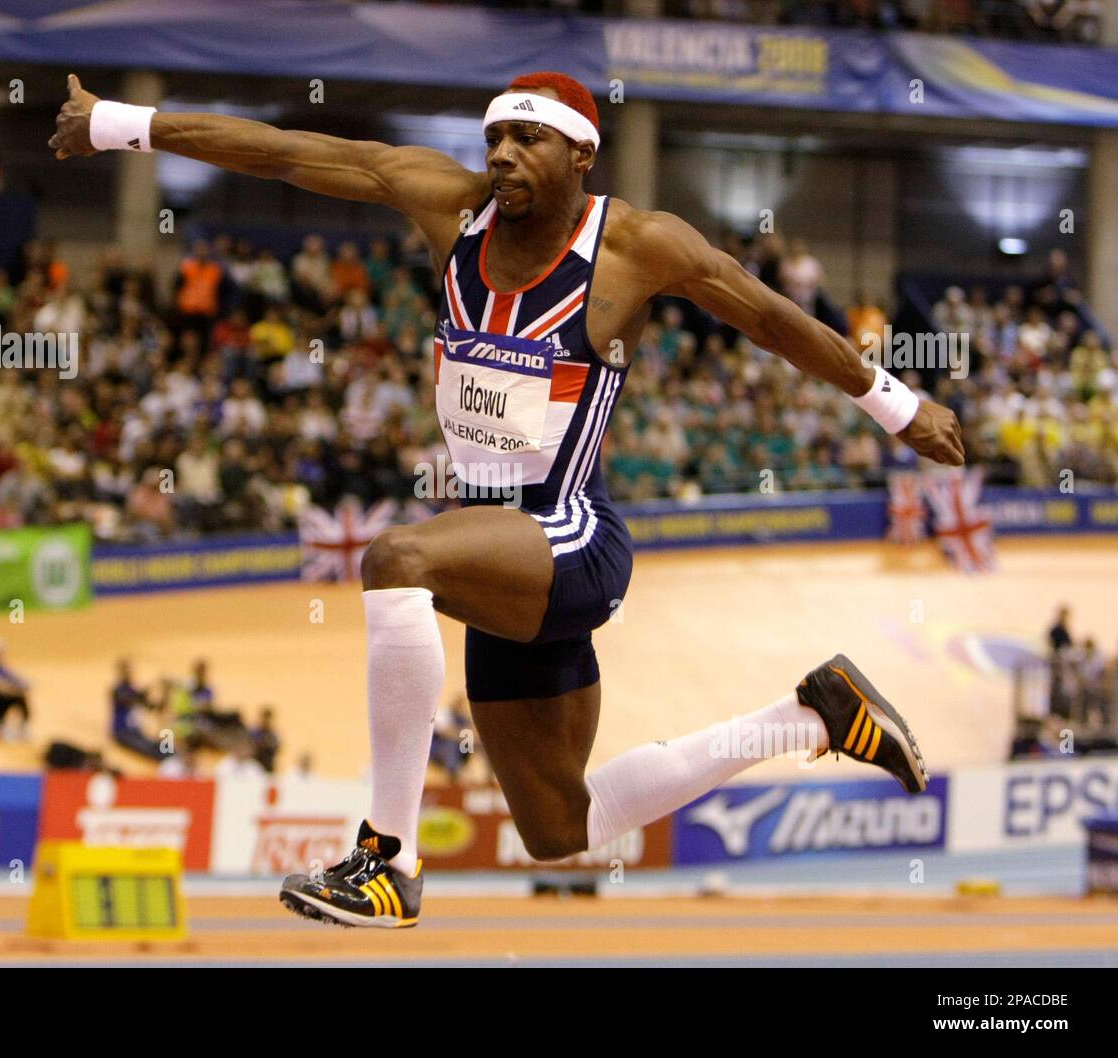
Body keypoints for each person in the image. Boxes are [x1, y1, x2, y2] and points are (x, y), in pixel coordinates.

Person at [50, 70, 962, 929]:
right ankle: (811, 715)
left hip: (574, 535)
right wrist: (122, 123)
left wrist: (897, 403)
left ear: (581, 155)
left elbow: (771, 318)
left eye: (528, 139)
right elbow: (287, 150)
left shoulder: (639, 245)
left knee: (396, 559)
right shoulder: (449, 207)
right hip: (503, 558)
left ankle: (389, 858)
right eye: (494, 137)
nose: (501, 155)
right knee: (561, 827)